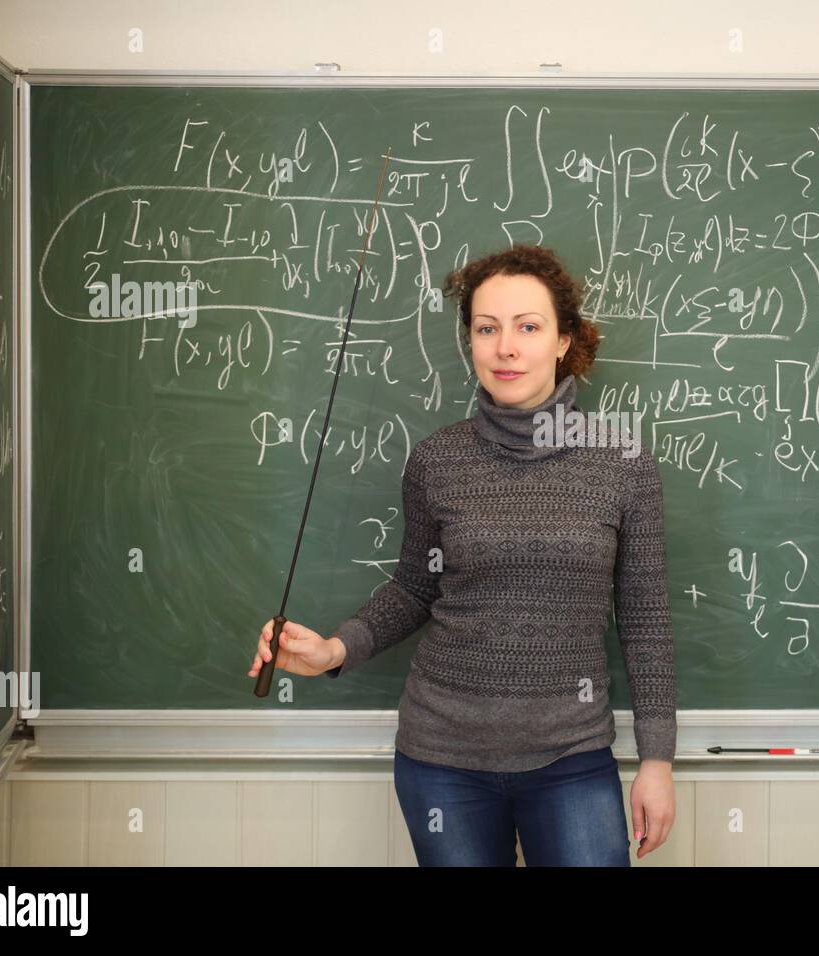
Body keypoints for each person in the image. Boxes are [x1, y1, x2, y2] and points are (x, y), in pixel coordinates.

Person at [248, 244, 677, 866]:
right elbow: (415, 588)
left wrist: (656, 760)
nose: (506, 347)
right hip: (442, 758)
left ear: (563, 341)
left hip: (572, 758)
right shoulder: (437, 460)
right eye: (486, 328)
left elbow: (645, 621)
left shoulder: (623, 463)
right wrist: (335, 651)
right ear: (471, 341)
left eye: (528, 327)